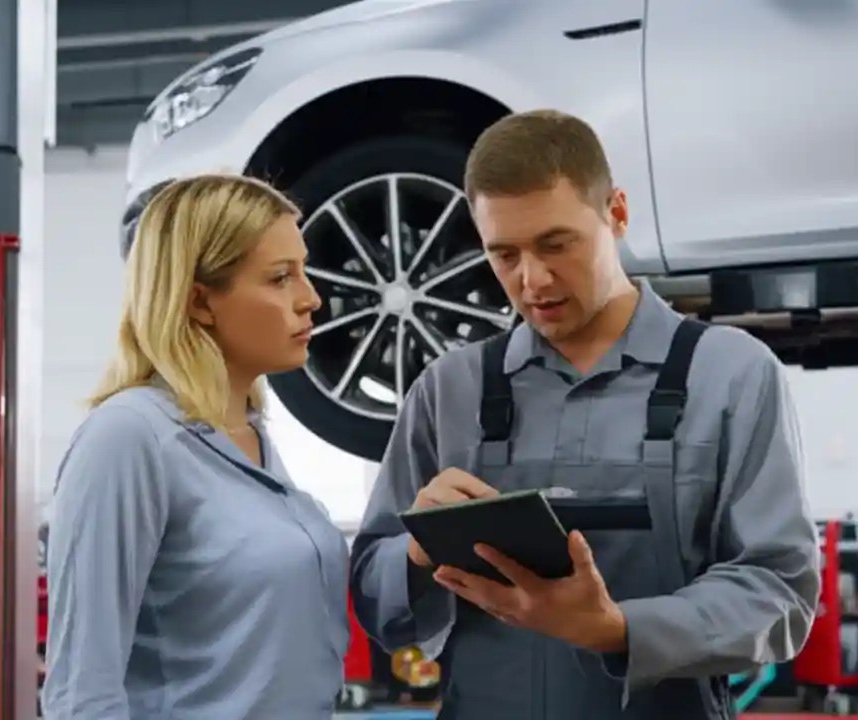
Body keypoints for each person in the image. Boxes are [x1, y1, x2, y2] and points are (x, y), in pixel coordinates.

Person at [349, 110, 821, 719]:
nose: (533, 279)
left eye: (556, 244)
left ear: (616, 212)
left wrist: (616, 628)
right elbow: (373, 595)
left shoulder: (730, 374)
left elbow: (779, 591)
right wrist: (415, 553)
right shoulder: (449, 390)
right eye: (504, 254)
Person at [43, 174, 349, 719]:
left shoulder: (251, 436)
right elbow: (80, 692)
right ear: (199, 302)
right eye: (281, 278)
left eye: (302, 271)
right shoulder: (130, 439)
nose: (311, 299)